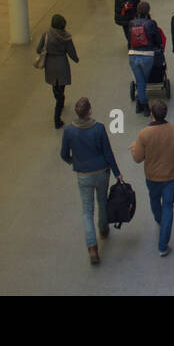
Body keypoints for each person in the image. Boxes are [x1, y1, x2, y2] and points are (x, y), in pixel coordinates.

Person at [59, 97, 124, 265]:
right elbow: (108, 153)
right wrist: (117, 173)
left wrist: (74, 161)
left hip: (83, 175)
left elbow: (64, 154)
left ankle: (92, 248)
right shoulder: (99, 129)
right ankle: (103, 229)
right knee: (102, 201)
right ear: (90, 111)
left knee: (87, 211)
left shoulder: (69, 131)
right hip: (101, 172)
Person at [130, 99, 174, 256]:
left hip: (152, 176)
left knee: (154, 199)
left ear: (151, 114)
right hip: (171, 175)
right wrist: (173, 157)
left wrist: (134, 149)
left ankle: (159, 219)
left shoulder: (144, 134)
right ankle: (163, 246)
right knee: (168, 205)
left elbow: (137, 158)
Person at [36, 14, 78, 129]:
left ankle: (59, 98)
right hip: (62, 64)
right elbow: (71, 52)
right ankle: (57, 115)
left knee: (54, 85)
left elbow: (38, 49)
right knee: (61, 86)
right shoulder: (66, 37)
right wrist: (76, 59)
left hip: (50, 64)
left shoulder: (46, 35)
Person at [127, 1, 167, 115]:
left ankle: (140, 105)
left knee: (140, 82)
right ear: (148, 11)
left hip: (133, 55)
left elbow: (129, 39)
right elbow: (158, 39)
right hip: (147, 56)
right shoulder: (151, 23)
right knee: (142, 82)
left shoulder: (131, 23)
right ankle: (144, 106)